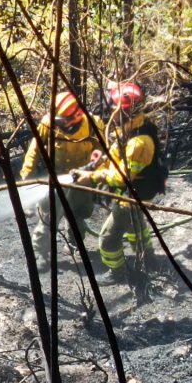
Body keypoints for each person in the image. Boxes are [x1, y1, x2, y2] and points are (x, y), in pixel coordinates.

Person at [72, 81, 164, 299]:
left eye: (114, 110)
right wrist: (99, 160)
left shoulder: (139, 142)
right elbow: (117, 153)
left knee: (108, 239)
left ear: (123, 112)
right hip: (130, 195)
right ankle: (149, 258)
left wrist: (91, 178)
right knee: (136, 228)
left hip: (130, 197)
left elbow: (122, 177)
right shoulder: (132, 128)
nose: (110, 114)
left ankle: (118, 272)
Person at [19, 90, 104, 265]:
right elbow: (34, 150)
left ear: (75, 116)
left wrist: (99, 176)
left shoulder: (93, 124)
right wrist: (27, 175)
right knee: (49, 217)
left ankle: (74, 245)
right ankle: (39, 253)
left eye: (61, 121)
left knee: (78, 215)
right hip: (56, 178)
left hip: (82, 179)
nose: (57, 124)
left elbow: (104, 153)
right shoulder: (47, 123)